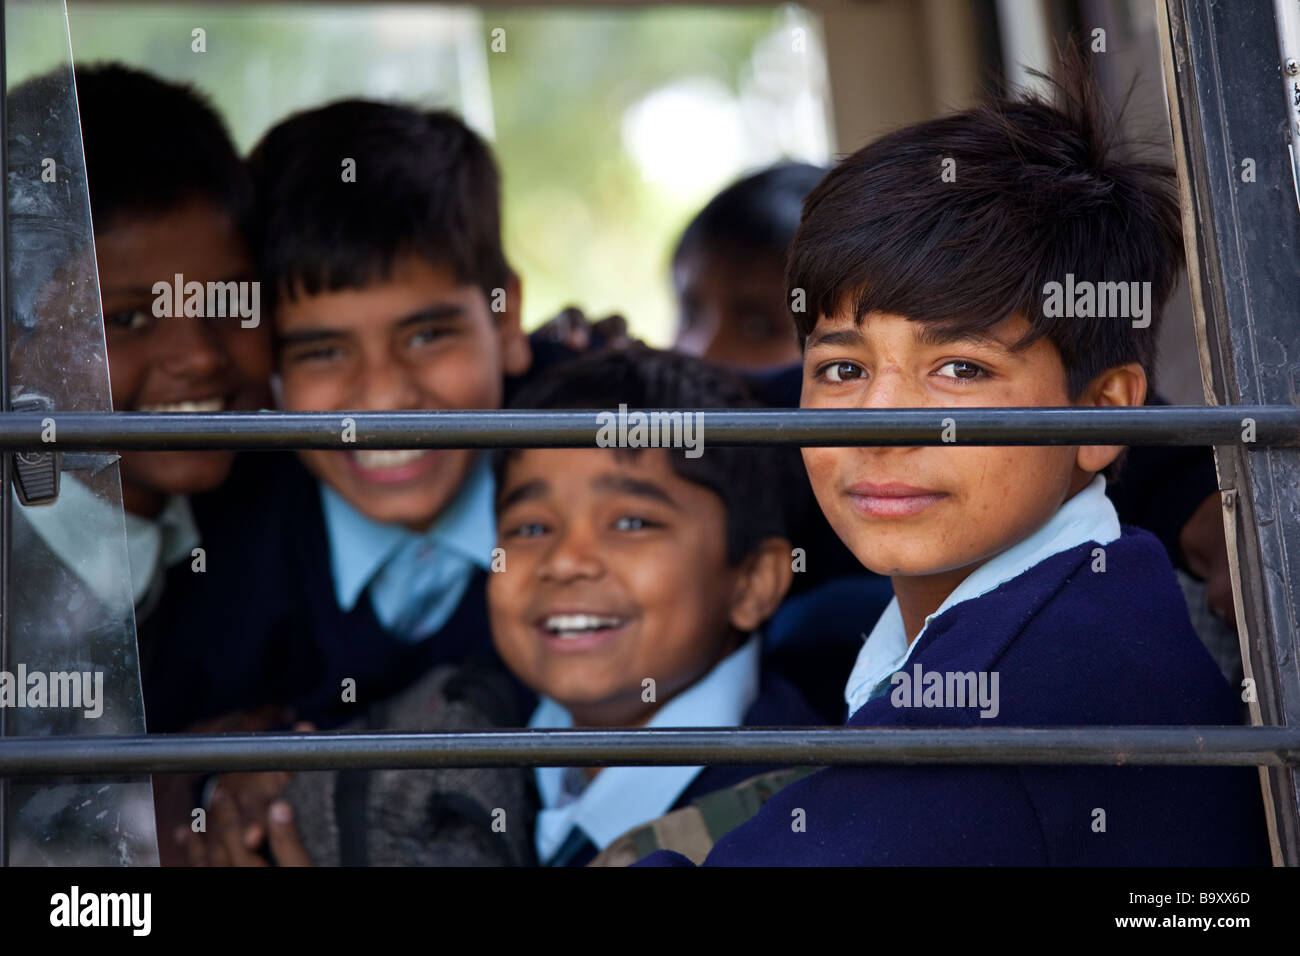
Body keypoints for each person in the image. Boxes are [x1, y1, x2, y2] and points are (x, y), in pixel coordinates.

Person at [638, 48, 1271, 866]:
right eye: (842, 369)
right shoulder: (1087, 608)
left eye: (961, 369)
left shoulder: (1019, 708)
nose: (877, 425)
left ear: (1103, 410)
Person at [142, 100, 537, 736]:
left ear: (506, 319)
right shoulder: (222, 548)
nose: (382, 399)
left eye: (430, 335)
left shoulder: (596, 441)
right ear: (267, 367)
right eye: (322, 351)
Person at [490, 347, 821, 866]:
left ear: (754, 582)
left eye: (632, 523)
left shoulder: (804, 820)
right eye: (531, 528)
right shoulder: (455, 744)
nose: (565, 561)